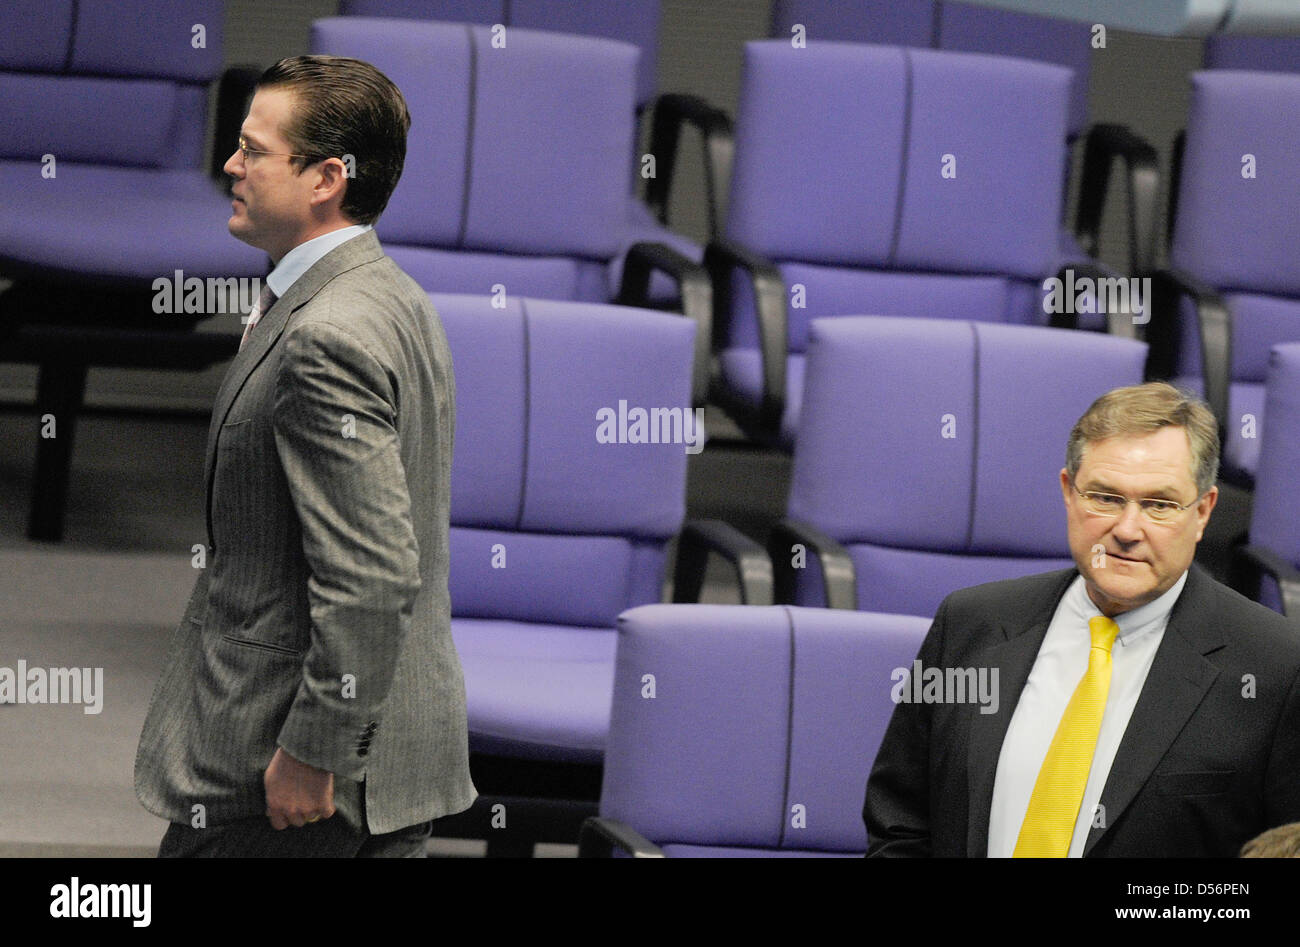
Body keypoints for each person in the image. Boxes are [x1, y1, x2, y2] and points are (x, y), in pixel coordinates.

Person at [134, 55, 475, 856]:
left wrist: (315, 749)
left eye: (253, 150)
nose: (230, 164)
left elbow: (376, 572)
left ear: (325, 178)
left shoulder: (327, 335)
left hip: (293, 779)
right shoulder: (391, 294)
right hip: (385, 767)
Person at [864, 382, 1300, 857]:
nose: (1128, 530)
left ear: (1203, 512)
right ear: (1068, 492)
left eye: (1159, 504)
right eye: (1106, 497)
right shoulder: (970, 625)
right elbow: (900, 825)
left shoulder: (1276, 666)